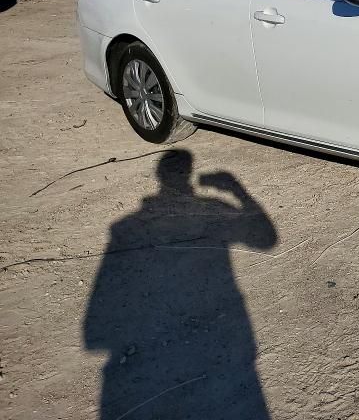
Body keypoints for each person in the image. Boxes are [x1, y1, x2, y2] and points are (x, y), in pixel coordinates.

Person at [83, 149, 277, 419]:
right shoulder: (213, 209)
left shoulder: (125, 227)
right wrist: (237, 190)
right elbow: (266, 240)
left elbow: (95, 328)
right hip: (223, 340)